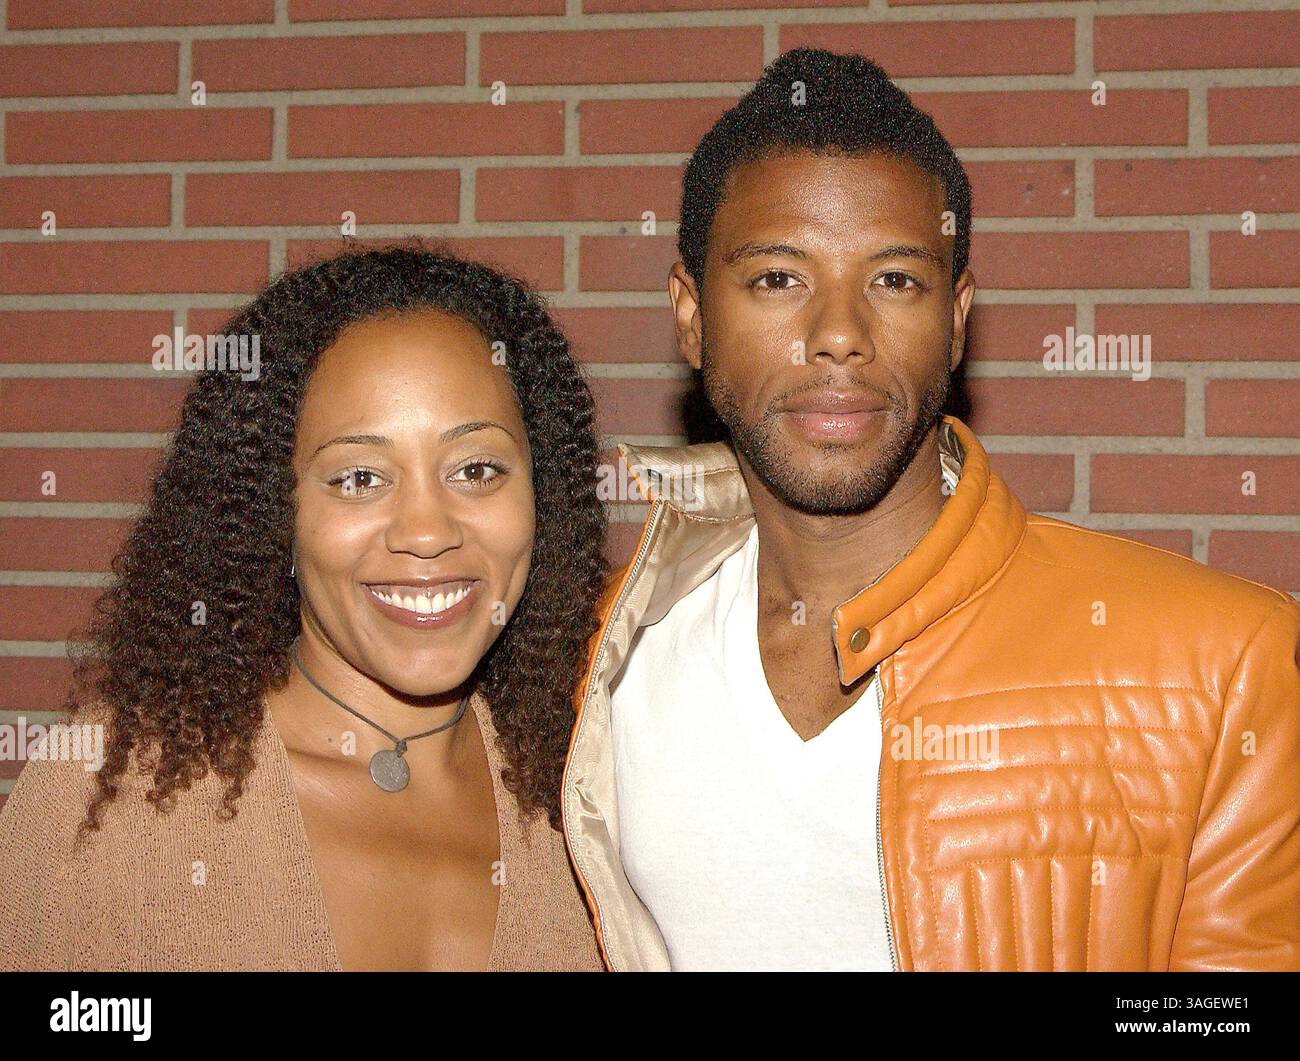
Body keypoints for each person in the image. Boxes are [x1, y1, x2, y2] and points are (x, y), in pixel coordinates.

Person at [560, 48, 1300, 972]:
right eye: (778, 279)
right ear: (691, 313)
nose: (838, 335)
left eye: (894, 280)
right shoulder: (598, 663)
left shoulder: (1220, 664)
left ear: (956, 317)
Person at [0, 246, 606, 972]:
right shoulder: (114, 797)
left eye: (476, 469)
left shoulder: (592, 806)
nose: (426, 531)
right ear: (272, 512)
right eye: (358, 477)